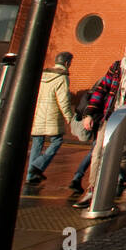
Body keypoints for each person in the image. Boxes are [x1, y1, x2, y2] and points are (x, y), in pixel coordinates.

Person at [73, 35, 126, 209]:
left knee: (120, 154)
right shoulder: (116, 66)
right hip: (108, 115)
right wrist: (89, 113)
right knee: (98, 152)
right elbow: (102, 90)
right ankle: (92, 190)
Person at [27, 52, 75, 184]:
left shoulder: (43, 75)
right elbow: (63, 101)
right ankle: (38, 166)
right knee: (57, 141)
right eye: (70, 62)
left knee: (37, 143)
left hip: (39, 114)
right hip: (53, 115)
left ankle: (30, 176)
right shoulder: (62, 77)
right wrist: (70, 117)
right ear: (66, 63)